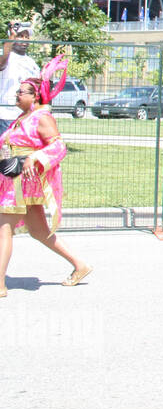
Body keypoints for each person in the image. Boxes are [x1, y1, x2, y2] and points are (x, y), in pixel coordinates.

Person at [1, 57, 92, 297]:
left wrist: (35, 158)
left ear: (35, 96)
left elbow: (58, 146)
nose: (16, 95)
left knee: (4, 228)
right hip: (14, 179)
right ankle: (80, 265)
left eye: (22, 92)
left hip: (22, 184)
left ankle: (0, 284)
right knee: (39, 231)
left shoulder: (42, 118)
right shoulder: (23, 118)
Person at [0, 22, 40, 137]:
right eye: (20, 36)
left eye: (26, 37)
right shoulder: (7, 57)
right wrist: (12, 36)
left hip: (25, 117)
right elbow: (1, 64)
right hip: (7, 116)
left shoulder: (32, 63)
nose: (24, 40)